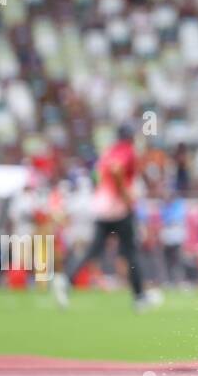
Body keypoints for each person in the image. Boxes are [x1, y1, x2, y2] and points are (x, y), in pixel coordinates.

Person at [52, 123, 160, 311]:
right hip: (118, 210)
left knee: (94, 251)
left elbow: (99, 175)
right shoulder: (127, 151)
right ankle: (140, 296)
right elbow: (118, 170)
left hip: (103, 208)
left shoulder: (108, 151)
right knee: (130, 253)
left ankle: (66, 280)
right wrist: (125, 196)